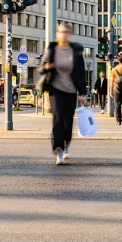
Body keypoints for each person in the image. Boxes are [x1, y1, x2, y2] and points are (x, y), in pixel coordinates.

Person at [40, 22, 88, 165]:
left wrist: (82, 93)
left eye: (66, 32)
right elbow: (41, 69)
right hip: (55, 90)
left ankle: (66, 145)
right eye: (61, 32)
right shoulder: (52, 49)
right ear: (58, 33)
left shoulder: (76, 50)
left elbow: (80, 72)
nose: (63, 35)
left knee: (68, 122)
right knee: (58, 119)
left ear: (70, 34)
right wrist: (47, 66)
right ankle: (58, 150)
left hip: (71, 91)